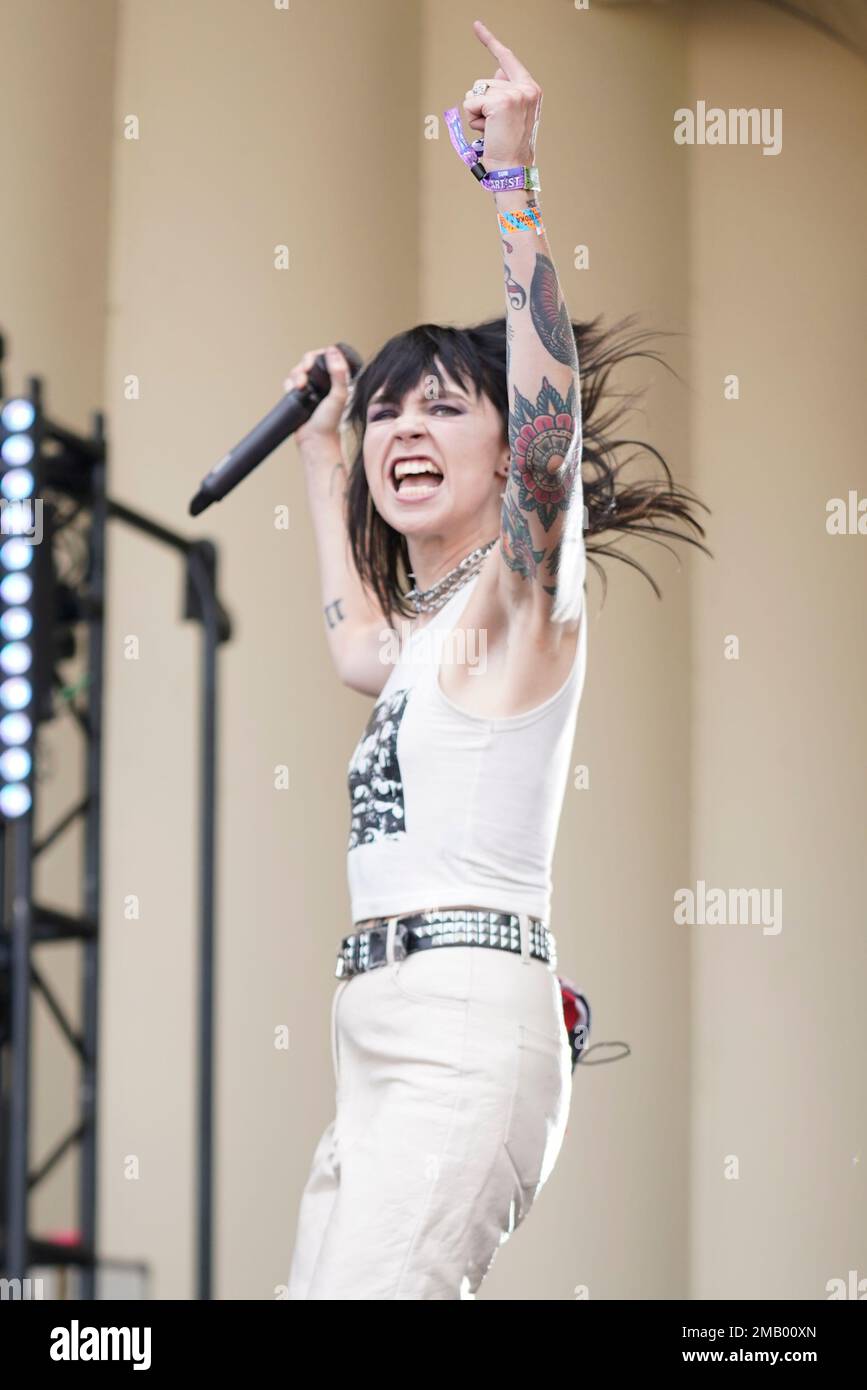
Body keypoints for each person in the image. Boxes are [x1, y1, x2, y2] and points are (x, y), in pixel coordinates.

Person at [285, 21, 708, 1300]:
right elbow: (357, 641)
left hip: (467, 1022)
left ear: (499, 448)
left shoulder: (526, 589)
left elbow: (548, 435)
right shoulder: (424, 635)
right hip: (378, 1030)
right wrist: (317, 456)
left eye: (443, 405)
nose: (404, 425)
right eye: (390, 410)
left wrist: (512, 187)